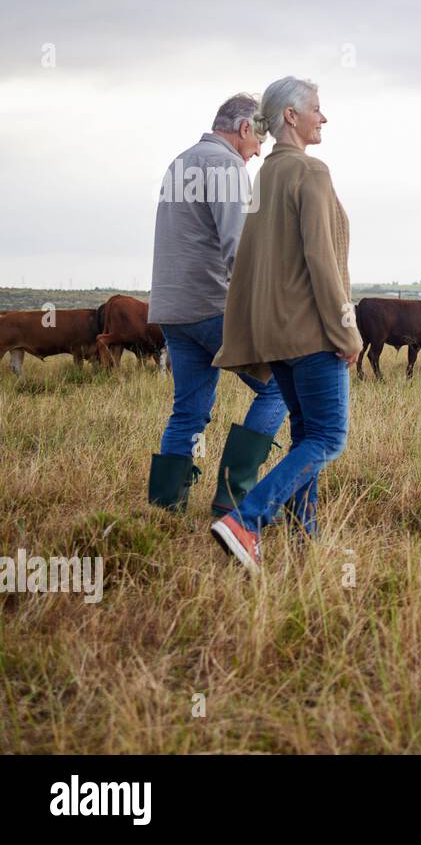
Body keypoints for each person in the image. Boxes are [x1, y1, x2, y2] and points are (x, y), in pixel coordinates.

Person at [210, 77, 362, 572]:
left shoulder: (267, 174)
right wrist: (346, 332)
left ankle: (306, 540)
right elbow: (321, 260)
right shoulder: (310, 172)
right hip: (313, 333)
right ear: (291, 117)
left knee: (304, 437)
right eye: (317, 109)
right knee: (328, 438)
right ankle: (246, 519)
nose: (324, 118)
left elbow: (256, 261)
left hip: (277, 336)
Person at [146, 94, 288, 515]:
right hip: (213, 306)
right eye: (259, 140)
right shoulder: (225, 165)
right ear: (245, 129)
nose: (259, 151)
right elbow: (237, 246)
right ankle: (234, 497)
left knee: (188, 410)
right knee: (283, 386)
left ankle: (165, 507)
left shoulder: (181, 162)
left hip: (172, 310)